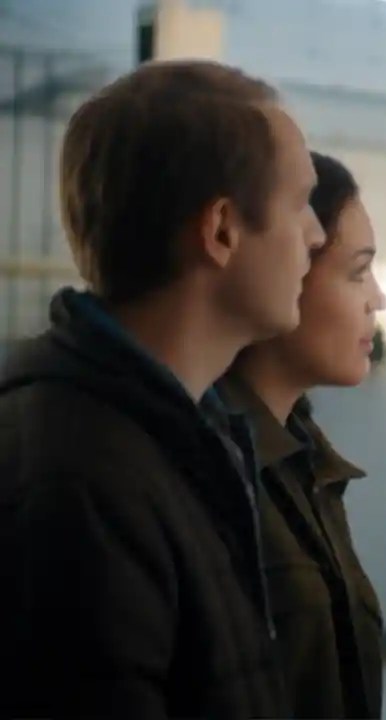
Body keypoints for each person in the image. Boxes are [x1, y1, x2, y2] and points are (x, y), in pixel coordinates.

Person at [0, 60, 323, 717]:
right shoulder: (78, 480)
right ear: (222, 230)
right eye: (300, 204)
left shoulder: (178, 440)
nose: (316, 235)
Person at [214, 151, 386, 718]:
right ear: (285, 265)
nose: (378, 299)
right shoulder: (205, 467)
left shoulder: (305, 464)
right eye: (357, 272)